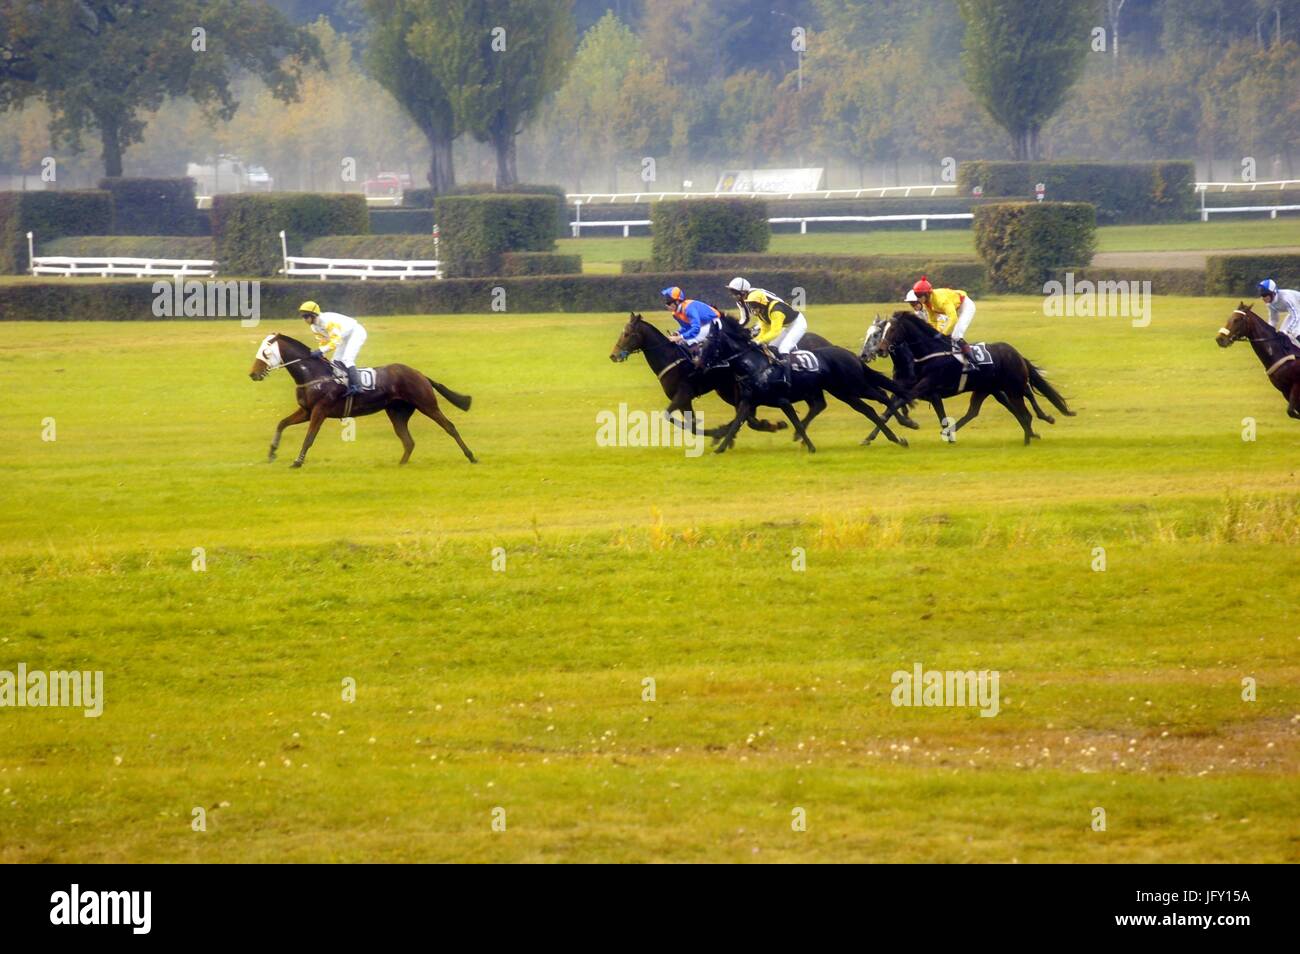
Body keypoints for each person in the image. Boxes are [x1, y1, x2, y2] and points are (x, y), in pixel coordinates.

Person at [300, 300, 367, 395]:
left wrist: (321, 351)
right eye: (303, 317)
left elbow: (336, 340)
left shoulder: (327, 321)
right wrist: (321, 353)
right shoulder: (314, 327)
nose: (304, 319)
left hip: (356, 333)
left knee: (347, 359)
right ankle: (347, 385)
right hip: (344, 337)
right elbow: (323, 341)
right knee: (335, 361)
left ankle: (357, 386)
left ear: (313, 315)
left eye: (306, 316)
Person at [912, 276, 975, 356]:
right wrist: (935, 333)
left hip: (965, 306)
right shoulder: (927, 303)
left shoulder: (940, 300)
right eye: (916, 295)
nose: (917, 298)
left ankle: (972, 360)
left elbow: (953, 318)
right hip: (955, 309)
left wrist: (942, 334)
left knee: (956, 336)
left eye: (919, 295)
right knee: (948, 335)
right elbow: (933, 320)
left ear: (927, 294)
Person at [745, 289, 808, 355]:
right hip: (787, 325)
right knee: (772, 347)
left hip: (798, 324)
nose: (752, 308)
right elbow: (764, 331)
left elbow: (775, 332)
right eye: (750, 304)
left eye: (754, 305)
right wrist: (754, 340)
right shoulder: (761, 313)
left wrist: (758, 341)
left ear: (761, 303)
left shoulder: (776, 310)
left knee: (783, 348)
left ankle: (794, 360)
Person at [1258, 279, 1300, 348]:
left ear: (1273, 293)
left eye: (1265, 295)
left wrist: (1288, 331)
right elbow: (1273, 319)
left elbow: (1296, 316)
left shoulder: (1286, 298)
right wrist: (1268, 331)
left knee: (1294, 333)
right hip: (1297, 312)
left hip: (1297, 313)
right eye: (1262, 295)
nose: (1263, 298)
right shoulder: (1269, 304)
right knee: (1281, 334)